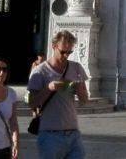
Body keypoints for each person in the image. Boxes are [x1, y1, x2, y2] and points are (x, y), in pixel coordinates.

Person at [27, 30, 88, 159]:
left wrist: (80, 90)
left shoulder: (76, 68)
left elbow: (84, 100)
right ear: (54, 46)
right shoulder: (39, 72)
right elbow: (32, 103)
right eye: (63, 52)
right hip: (50, 134)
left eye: (69, 52)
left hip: (73, 133)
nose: (66, 55)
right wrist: (49, 88)